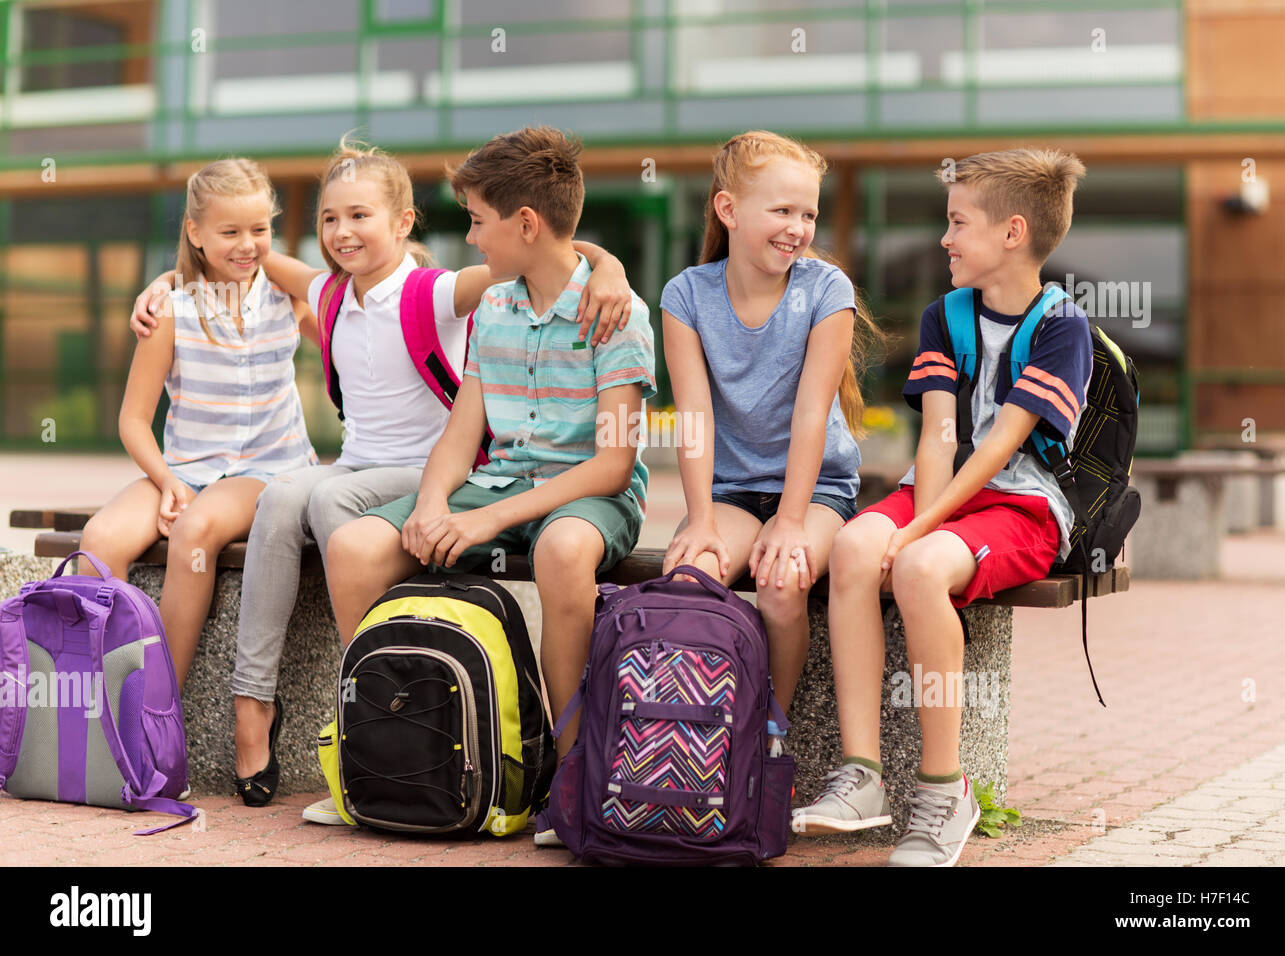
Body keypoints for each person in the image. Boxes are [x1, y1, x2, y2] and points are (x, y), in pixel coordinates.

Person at [128, 135, 635, 808]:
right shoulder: (330, 293)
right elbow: (236, 254)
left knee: (327, 507)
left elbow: (547, 249)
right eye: (329, 219)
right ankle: (263, 705)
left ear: (401, 223)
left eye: (360, 216)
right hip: (368, 469)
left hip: (431, 474)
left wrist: (610, 266)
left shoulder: (445, 292)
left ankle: (383, 706)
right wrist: (163, 282)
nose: (341, 231)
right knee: (288, 496)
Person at [320, 127, 655, 843]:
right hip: (496, 482)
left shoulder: (618, 313)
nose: (470, 238)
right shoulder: (494, 308)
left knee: (562, 553)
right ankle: (383, 737)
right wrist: (438, 502)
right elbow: (461, 432)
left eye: (477, 220)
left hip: (589, 496)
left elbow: (612, 466)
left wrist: (483, 520)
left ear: (525, 223)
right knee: (351, 547)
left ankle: (566, 774)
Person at [793, 148, 1091, 867]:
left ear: (1013, 233)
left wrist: (927, 531)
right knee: (857, 548)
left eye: (958, 223)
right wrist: (922, 517)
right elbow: (939, 436)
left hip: (1022, 507)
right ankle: (863, 776)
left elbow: (1000, 451)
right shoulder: (944, 315)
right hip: (948, 493)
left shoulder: (1063, 327)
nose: (944, 238)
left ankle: (943, 790)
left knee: (922, 568)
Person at [659, 130, 882, 721]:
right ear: (728, 209)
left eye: (808, 213)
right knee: (687, 579)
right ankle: (706, 729)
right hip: (729, 493)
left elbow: (812, 412)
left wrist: (787, 521)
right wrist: (701, 520)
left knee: (784, 583)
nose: (798, 227)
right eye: (782, 210)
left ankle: (771, 729)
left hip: (816, 493)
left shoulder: (826, 289)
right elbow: (695, 418)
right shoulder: (685, 295)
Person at [82, 158, 318, 693]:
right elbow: (134, 421)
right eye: (229, 231)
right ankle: (102, 702)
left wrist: (259, 256)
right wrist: (167, 480)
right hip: (187, 469)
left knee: (194, 531)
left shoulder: (288, 298)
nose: (247, 244)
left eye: (260, 229)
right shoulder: (170, 309)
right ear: (195, 231)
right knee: (99, 541)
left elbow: (344, 318)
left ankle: (155, 712)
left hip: (269, 472)